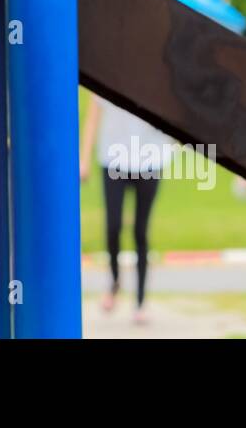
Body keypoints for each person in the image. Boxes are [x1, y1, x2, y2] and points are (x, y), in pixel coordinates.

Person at [79, 92, 170, 326]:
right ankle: (114, 281)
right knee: (113, 226)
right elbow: (93, 117)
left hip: (150, 160)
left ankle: (140, 302)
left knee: (140, 231)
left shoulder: (156, 74)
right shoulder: (107, 72)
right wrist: (84, 158)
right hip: (113, 159)